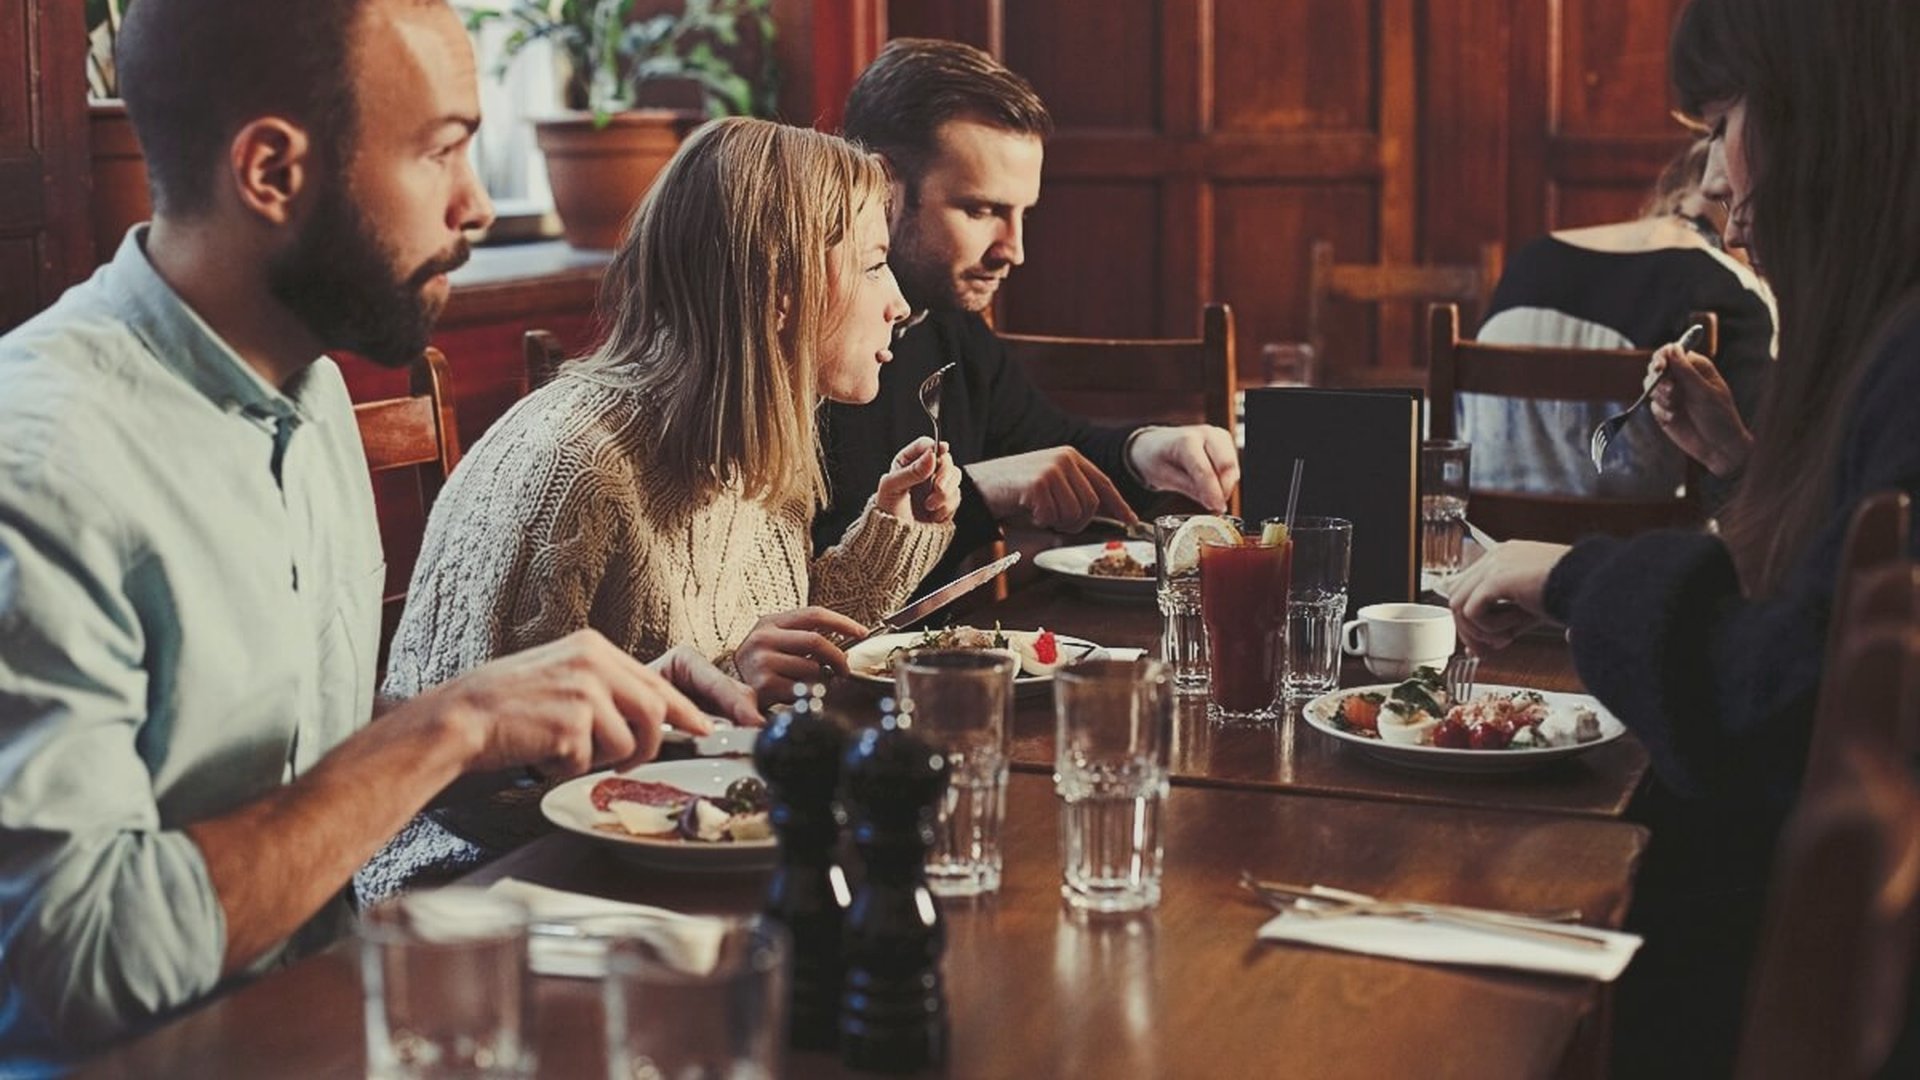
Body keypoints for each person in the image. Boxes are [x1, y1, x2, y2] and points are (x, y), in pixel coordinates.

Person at [0, 0, 756, 1069]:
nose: (477, 202)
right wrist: (449, 724)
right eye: (442, 150)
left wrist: (535, 720)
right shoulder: (39, 462)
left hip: (330, 1019)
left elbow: (289, 749)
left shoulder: (306, 384)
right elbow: (84, 961)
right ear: (271, 172)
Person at [1445, 0, 1920, 1072]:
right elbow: (1837, 603)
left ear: (1821, 115)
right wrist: (1740, 463)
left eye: (1721, 124)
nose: (1717, 191)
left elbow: (1772, 702)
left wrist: (1574, 577)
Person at [359, 118, 959, 900]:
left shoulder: (749, 438)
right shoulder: (568, 467)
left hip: (670, 858)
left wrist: (890, 535)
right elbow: (465, 789)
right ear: (782, 289)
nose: (900, 302)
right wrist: (715, 694)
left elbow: (762, 652)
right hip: (481, 894)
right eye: (875, 265)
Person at [813, 38, 1240, 589]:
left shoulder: (948, 320)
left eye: (1022, 214)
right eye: (981, 210)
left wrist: (1147, 450)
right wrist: (984, 491)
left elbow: (1047, 448)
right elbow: (800, 573)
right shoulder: (801, 339)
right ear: (884, 187)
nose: (1013, 250)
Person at [1461, 135, 1775, 505]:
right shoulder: (1733, 289)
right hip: (1644, 539)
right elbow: (1759, 467)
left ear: (1673, 192)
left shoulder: (1528, 260)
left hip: (1486, 534)